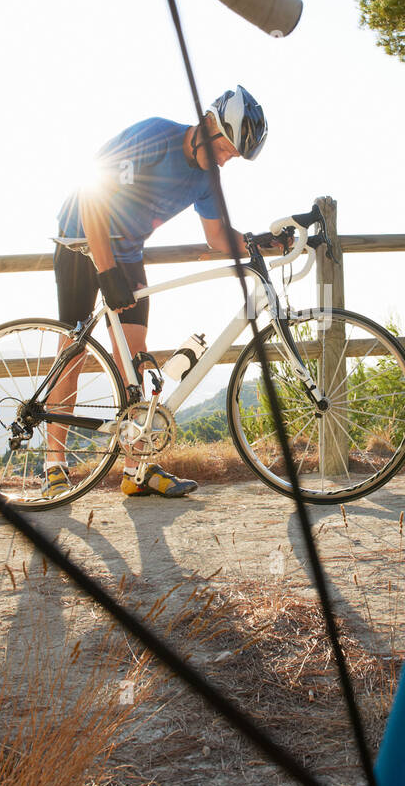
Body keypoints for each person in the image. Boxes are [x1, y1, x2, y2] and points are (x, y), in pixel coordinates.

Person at [45, 85, 273, 499]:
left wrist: (262, 241)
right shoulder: (154, 136)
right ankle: (54, 465)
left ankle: (137, 470)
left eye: (233, 157)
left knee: (134, 360)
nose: (226, 160)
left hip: (126, 253)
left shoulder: (207, 178)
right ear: (209, 123)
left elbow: (219, 236)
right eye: (226, 149)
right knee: (73, 351)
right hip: (80, 240)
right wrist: (106, 269)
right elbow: (91, 195)